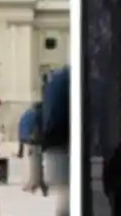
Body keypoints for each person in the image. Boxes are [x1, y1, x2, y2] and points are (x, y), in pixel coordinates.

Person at [41, 67, 70, 216]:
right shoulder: (67, 78)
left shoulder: (55, 81)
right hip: (64, 142)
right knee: (67, 190)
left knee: (64, 191)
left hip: (54, 142)